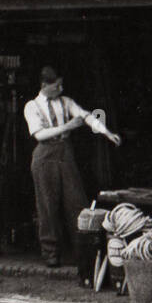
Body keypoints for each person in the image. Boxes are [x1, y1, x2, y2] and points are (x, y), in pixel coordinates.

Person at [24, 66, 121, 267]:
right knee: (47, 205)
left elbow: (85, 116)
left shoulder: (65, 102)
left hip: (65, 152)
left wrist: (106, 132)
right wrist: (68, 126)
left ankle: (83, 251)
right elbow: (39, 134)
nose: (60, 89)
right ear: (44, 85)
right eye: (56, 86)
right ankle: (50, 252)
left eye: (61, 85)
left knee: (76, 201)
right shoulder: (32, 106)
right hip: (44, 154)